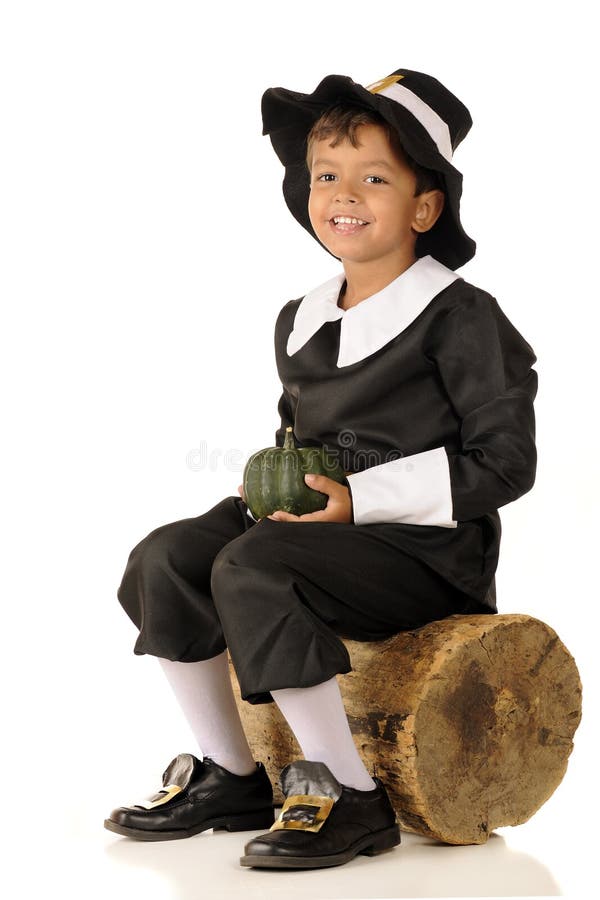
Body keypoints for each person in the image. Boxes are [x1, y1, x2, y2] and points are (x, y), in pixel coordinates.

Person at [104, 68, 537, 869]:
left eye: (375, 177)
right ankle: (231, 773)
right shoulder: (299, 318)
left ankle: (351, 797)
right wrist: (275, 478)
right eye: (327, 174)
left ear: (424, 207)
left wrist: (357, 500)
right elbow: (296, 428)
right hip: (318, 529)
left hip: (424, 553)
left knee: (254, 568)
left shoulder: (461, 317)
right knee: (164, 558)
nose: (344, 192)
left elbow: (505, 464)